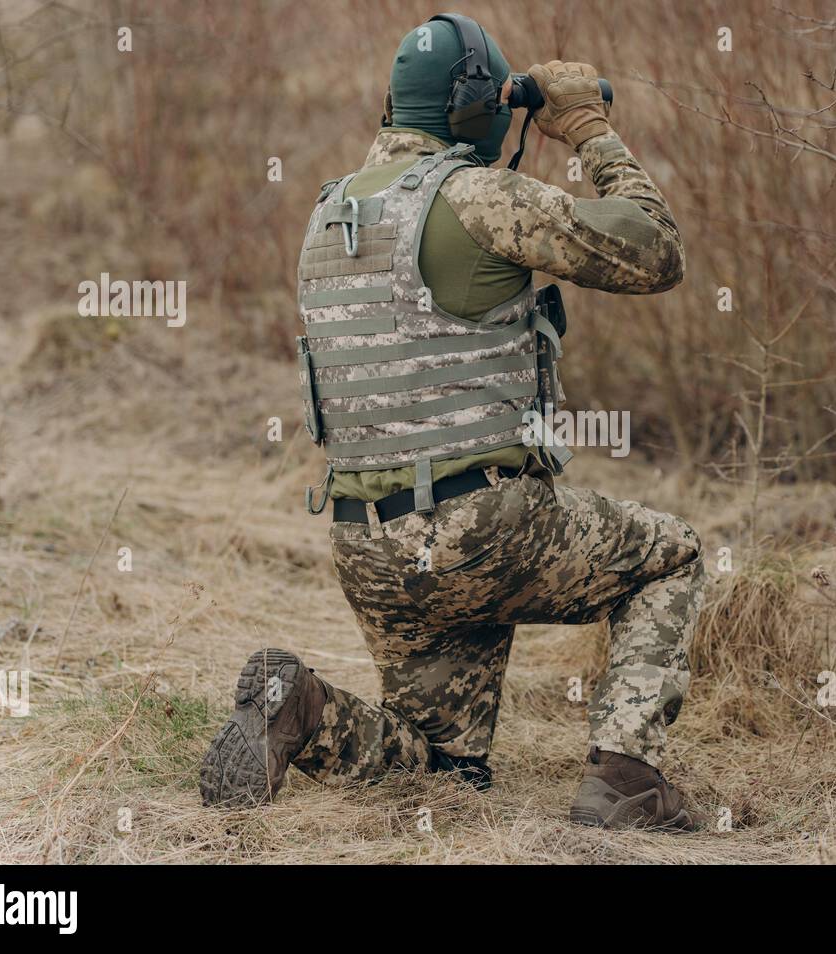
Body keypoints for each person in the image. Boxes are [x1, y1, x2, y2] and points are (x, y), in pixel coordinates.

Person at [199, 14, 704, 831]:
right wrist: (588, 131)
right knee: (669, 559)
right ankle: (625, 778)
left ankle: (303, 709)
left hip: (368, 542)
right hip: (484, 529)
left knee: (441, 771)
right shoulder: (480, 196)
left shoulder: (328, 216)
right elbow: (655, 251)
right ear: (476, 109)